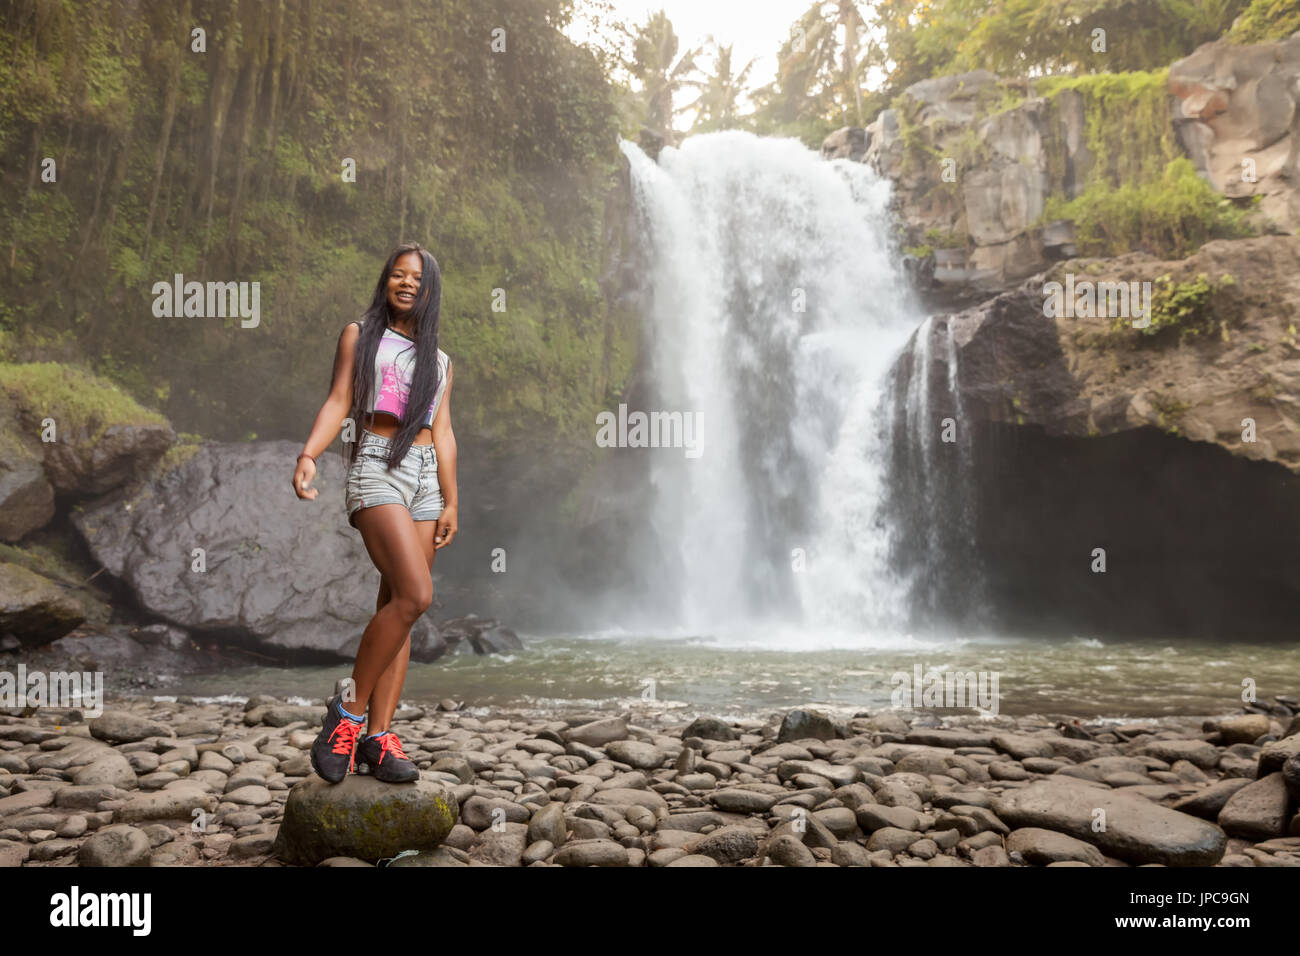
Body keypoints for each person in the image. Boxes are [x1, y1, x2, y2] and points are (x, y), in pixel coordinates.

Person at [291, 241, 458, 784]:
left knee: (400, 610)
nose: (406, 283)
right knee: (416, 594)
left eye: (417, 278)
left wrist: (452, 497)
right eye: (398, 274)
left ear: (430, 291)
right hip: (378, 466)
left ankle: (378, 741)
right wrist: (309, 454)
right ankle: (348, 713)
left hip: (427, 480)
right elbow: (340, 400)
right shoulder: (359, 335)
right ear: (386, 280)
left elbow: (446, 431)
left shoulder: (441, 360)